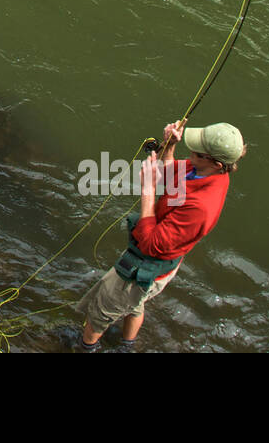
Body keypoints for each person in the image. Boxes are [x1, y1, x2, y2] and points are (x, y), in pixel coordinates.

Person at [73, 119, 246, 352]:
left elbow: (150, 245)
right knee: (135, 303)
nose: (191, 150)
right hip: (163, 255)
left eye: (197, 151)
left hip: (151, 260)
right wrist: (170, 146)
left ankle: (85, 348)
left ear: (215, 163)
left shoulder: (201, 207)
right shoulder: (202, 170)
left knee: (100, 311)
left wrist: (147, 190)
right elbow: (170, 175)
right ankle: (127, 346)